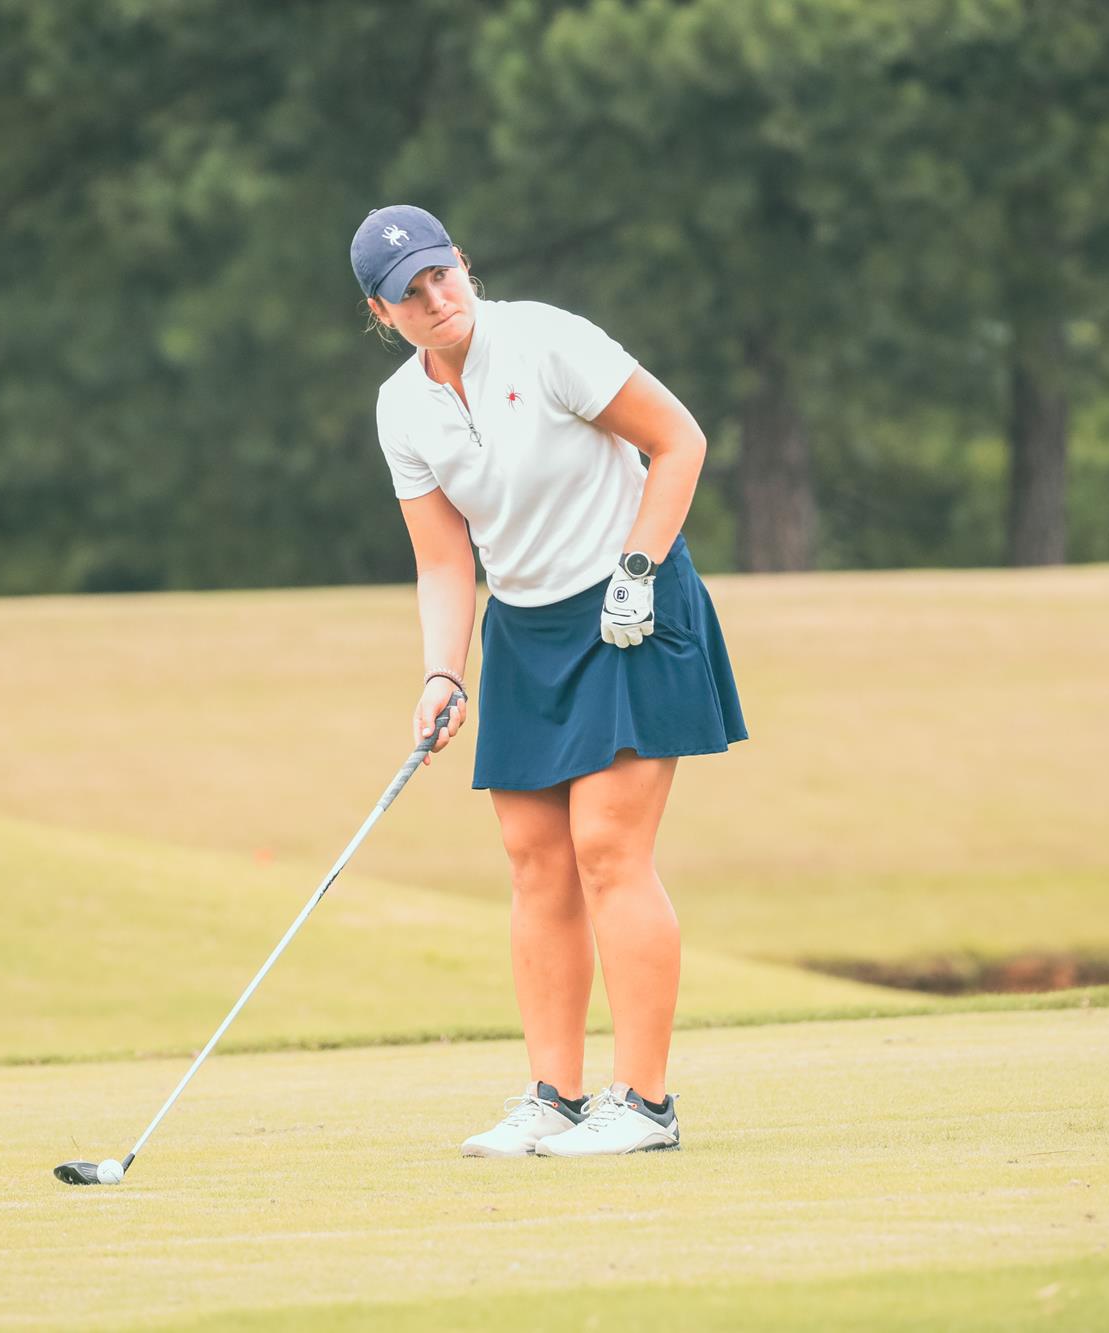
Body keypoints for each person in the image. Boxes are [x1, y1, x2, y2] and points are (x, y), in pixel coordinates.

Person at [350, 204, 748, 1157]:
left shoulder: (547, 343)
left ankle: (645, 1103)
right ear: (382, 311)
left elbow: (680, 440)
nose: (436, 297)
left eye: (443, 274)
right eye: (410, 292)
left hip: (631, 609)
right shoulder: (401, 408)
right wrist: (443, 671)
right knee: (536, 862)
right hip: (525, 630)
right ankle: (553, 1097)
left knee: (608, 847)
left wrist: (639, 570)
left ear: (463, 265)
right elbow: (445, 562)